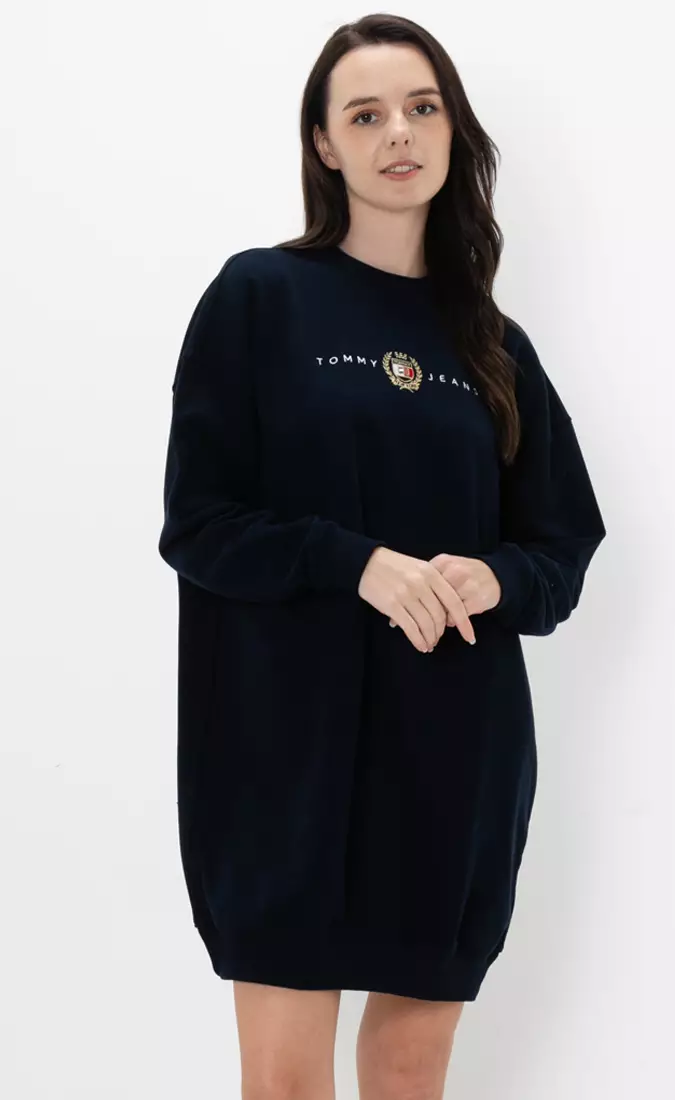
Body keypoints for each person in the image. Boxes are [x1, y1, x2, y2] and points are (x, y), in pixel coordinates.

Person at [158, 12, 606, 1100]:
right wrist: (357, 562)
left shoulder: (494, 346)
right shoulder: (258, 298)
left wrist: (495, 576)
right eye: (365, 115)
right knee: (285, 1083)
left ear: (452, 130)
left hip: (452, 752)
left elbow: (563, 541)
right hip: (281, 754)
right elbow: (197, 522)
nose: (398, 132)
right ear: (324, 144)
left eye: (421, 107)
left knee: (410, 1075)